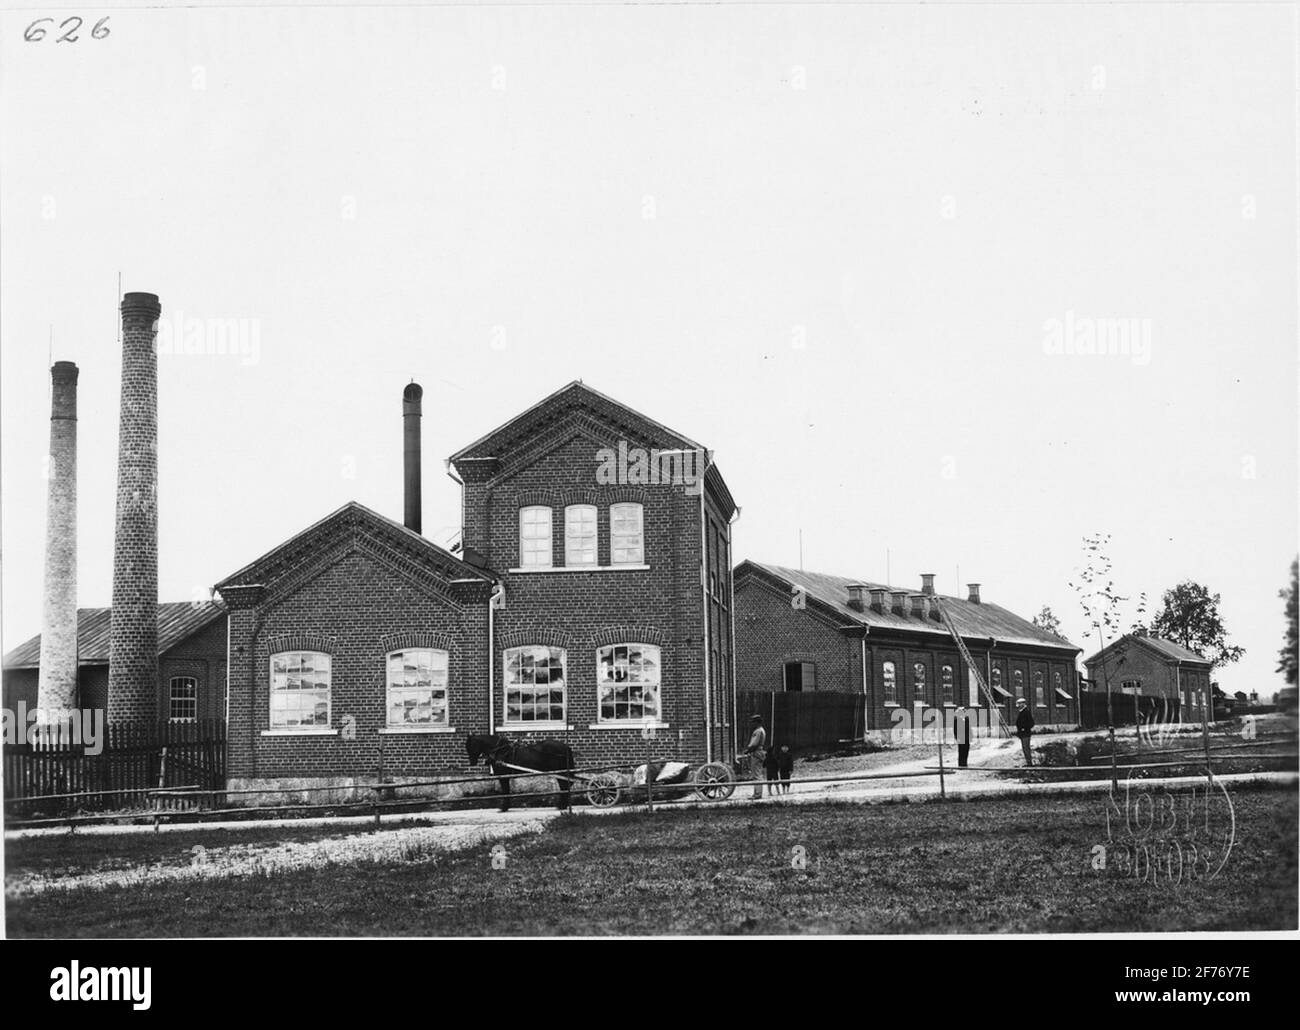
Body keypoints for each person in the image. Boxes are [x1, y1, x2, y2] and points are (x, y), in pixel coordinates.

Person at [744, 714, 768, 799]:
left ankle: (757, 794)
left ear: (757, 722)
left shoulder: (758, 731)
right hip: (759, 751)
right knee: (757, 773)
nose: (752, 724)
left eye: (753, 722)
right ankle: (757, 793)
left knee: (756, 774)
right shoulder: (761, 730)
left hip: (756, 752)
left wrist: (748, 750)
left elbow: (754, 744)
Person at [1015, 698, 1035, 766]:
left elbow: (1031, 723)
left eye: (1019, 704)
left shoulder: (1026, 712)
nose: (1018, 705)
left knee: (1026, 748)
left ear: (1023, 704)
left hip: (1026, 734)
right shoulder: (1022, 712)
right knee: (1024, 748)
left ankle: (1029, 763)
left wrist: (1024, 728)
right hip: (1023, 734)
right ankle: (1028, 762)